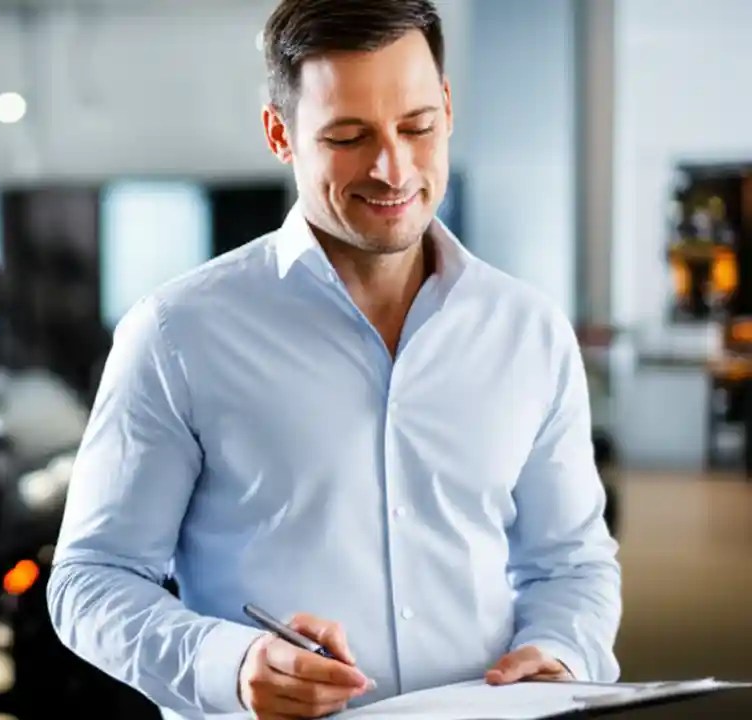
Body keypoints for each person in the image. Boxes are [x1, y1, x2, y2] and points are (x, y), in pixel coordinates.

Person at [45, 0, 623, 718]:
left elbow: (571, 563)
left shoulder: (528, 331)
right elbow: (91, 581)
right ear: (279, 134)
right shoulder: (175, 335)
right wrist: (229, 665)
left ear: (446, 106)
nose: (392, 168)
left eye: (417, 126)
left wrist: (563, 649)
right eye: (348, 137)